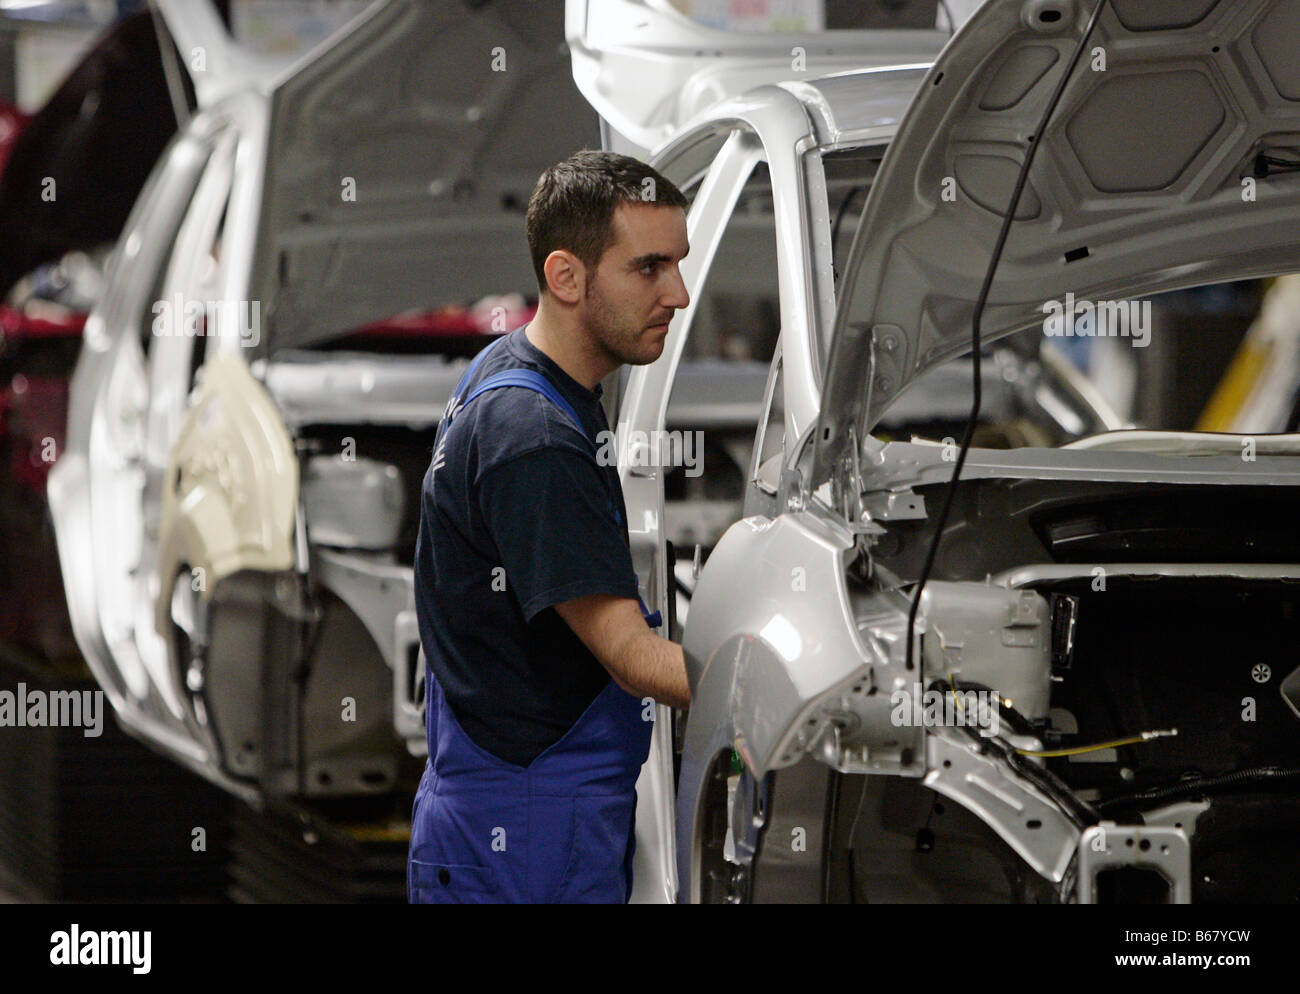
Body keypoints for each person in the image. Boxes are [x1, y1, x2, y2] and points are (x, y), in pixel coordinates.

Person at [407, 150, 693, 903]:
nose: (680, 293)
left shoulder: (513, 370)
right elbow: (634, 659)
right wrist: (771, 681)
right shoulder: (535, 436)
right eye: (650, 268)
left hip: (511, 807)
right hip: (526, 832)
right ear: (566, 277)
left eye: (679, 264)